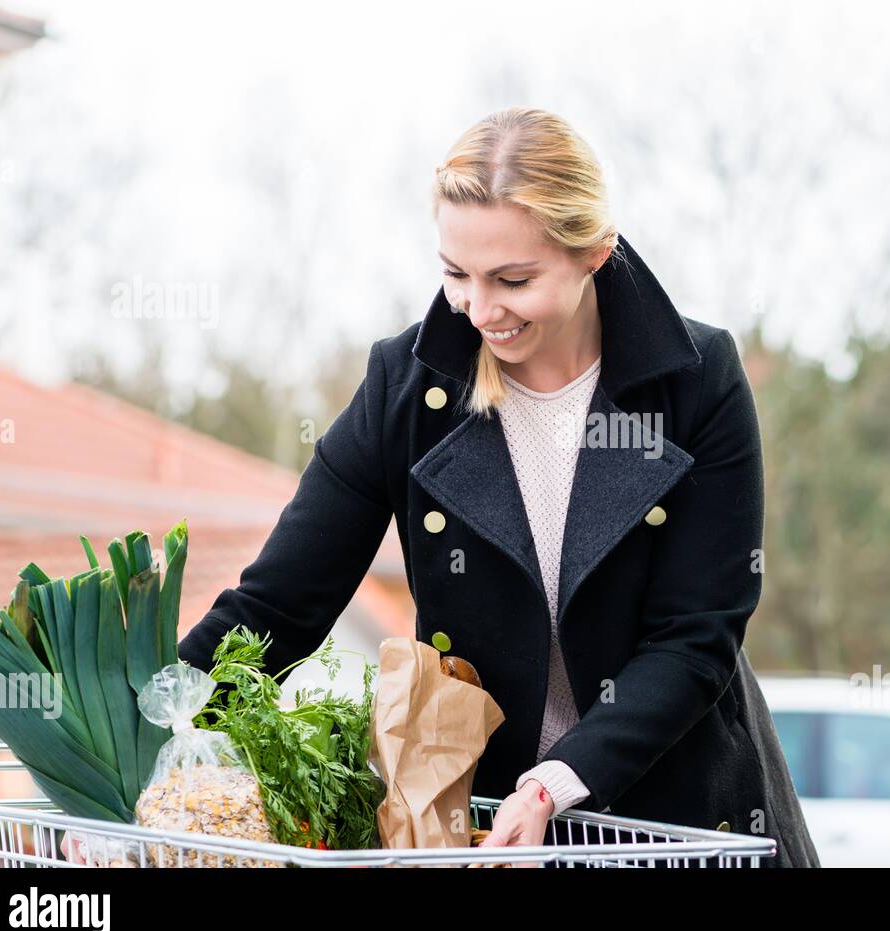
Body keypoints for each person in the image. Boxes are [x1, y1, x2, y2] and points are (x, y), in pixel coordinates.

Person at [176, 106, 820, 868]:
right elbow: (279, 603)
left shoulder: (698, 381)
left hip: (676, 819)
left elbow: (694, 638)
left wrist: (553, 784)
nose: (481, 311)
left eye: (513, 279)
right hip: (484, 828)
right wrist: (152, 721)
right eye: (456, 275)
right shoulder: (406, 387)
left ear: (594, 252)